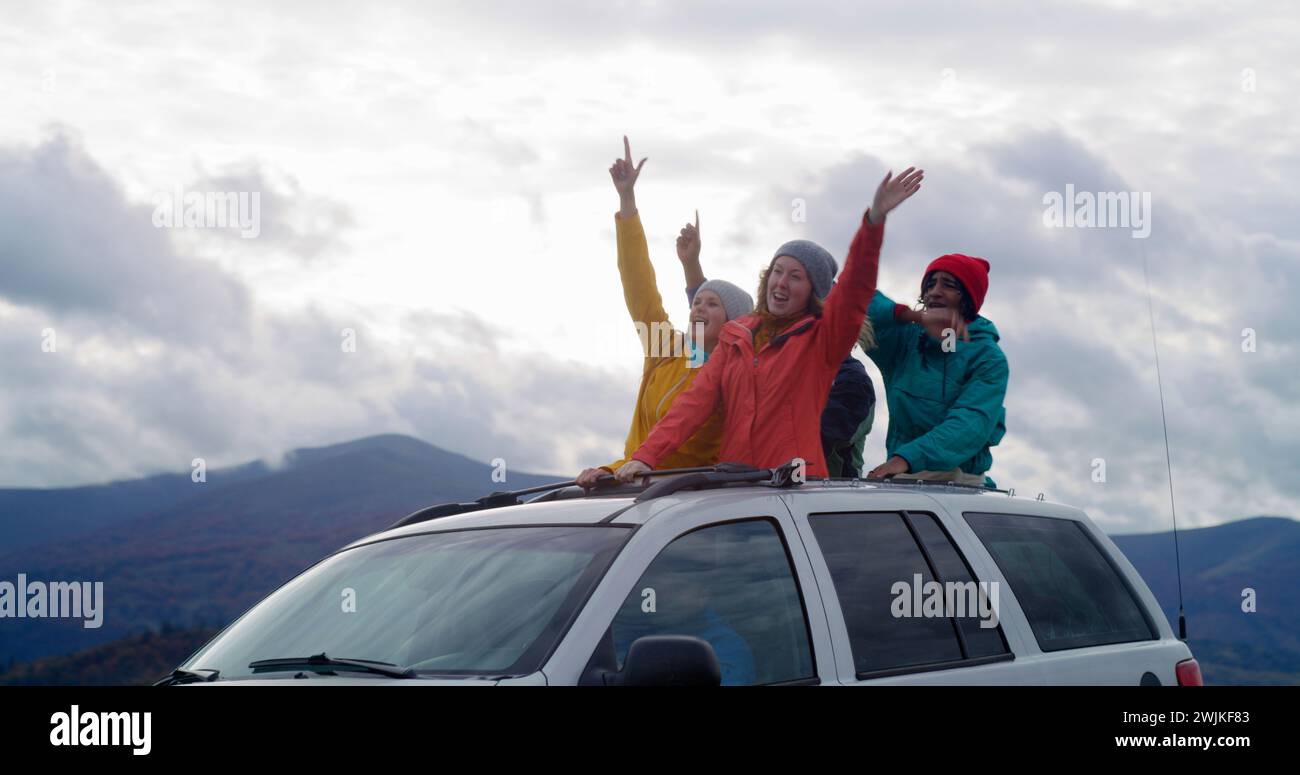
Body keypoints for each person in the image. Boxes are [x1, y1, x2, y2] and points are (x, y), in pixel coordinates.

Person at [614, 167, 923, 482]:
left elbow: (854, 291)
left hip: (792, 487)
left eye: (796, 276)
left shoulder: (821, 341)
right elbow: (695, 403)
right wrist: (646, 457)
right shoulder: (737, 336)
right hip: (735, 482)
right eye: (777, 271)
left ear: (814, 291)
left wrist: (873, 223)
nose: (782, 283)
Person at [575, 138, 754, 489]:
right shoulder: (667, 349)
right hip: (635, 484)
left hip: (692, 503)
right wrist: (627, 202)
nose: (699, 307)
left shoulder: (736, 376)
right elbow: (638, 286)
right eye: (697, 302)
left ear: (733, 324)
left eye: (712, 304)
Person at [860, 252, 1008, 487]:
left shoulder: (989, 358)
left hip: (958, 485)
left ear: (969, 298)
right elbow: (852, 299)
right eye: (930, 284)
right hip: (899, 478)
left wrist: (906, 458)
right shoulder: (906, 341)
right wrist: (909, 315)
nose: (934, 291)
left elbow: (969, 423)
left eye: (948, 285)